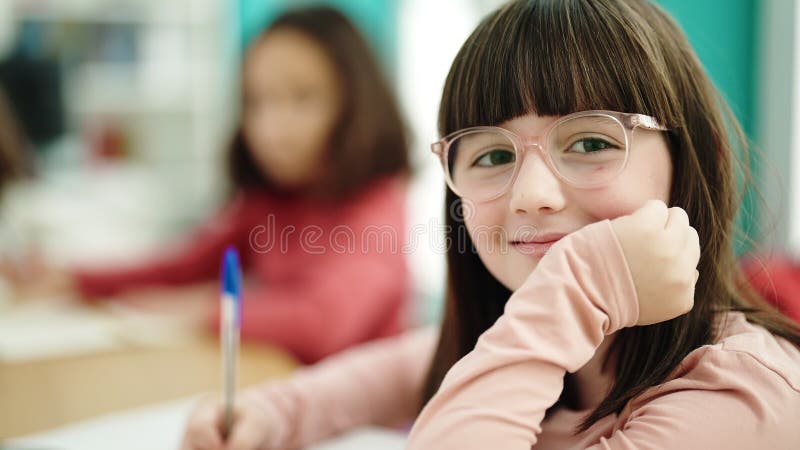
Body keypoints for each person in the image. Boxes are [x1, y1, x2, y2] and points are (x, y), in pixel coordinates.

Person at [180, 1, 800, 449]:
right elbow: (395, 369)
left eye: (589, 142)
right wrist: (270, 414)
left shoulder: (739, 396)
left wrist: (578, 287)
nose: (531, 196)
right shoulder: (545, 349)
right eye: (494, 155)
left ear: (693, 163)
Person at [2, 5, 411, 364]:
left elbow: (323, 324)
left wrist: (201, 310)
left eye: (302, 98)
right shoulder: (266, 204)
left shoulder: (378, 208)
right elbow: (180, 266)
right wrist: (71, 279)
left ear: (357, 101)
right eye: (257, 102)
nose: (271, 127)